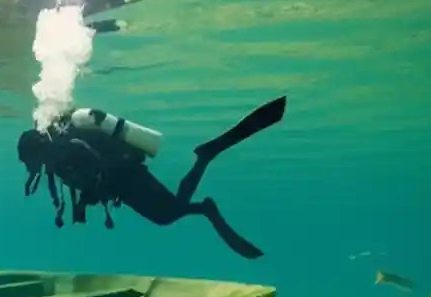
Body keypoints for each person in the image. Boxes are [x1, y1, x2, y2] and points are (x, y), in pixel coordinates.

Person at [16, 96, 287, 259]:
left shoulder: (67, 148)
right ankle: (203, 199)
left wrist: (88, 198)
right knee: (164, 216)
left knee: (168, 214)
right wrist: (84, 203)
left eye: (29, 161)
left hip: (129, 177)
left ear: (36, 151)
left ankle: (205, 164)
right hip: (124, 184)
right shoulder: (56, 160)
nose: (31, 167)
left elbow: (96, 167)